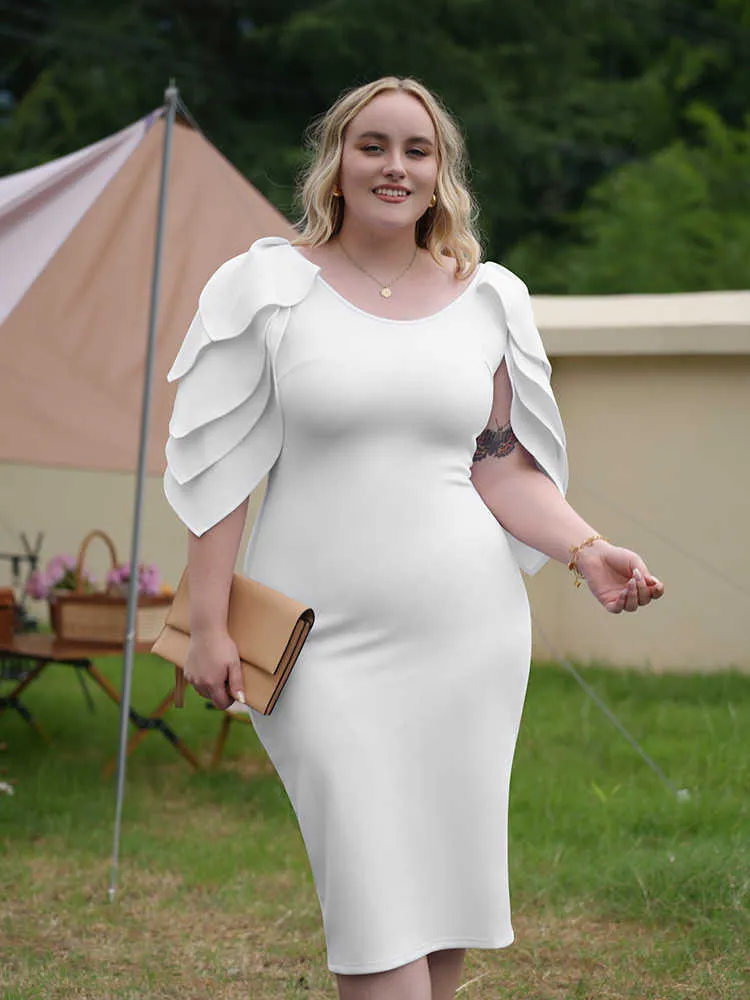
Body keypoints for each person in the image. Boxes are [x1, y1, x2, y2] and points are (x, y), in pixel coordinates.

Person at [163, 76, 665, 1000]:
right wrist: (206, 623)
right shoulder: (265, 289)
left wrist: (585, 547)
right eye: (373, 146)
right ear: (336, 163)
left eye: (417, 150)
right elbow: (218, 473)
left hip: (467, 636)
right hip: (316, 643)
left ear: (441, 174)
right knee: (373, 899)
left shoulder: (489, 299)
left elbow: (500, 467)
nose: (394, 166)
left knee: (440, 900)